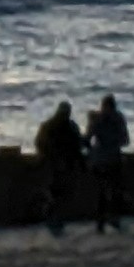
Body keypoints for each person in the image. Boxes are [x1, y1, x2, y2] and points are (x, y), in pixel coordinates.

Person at [35, 100, 88, 234]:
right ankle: (53, 215)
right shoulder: (68, 126)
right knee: (59, 193)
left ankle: (53, 216)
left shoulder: (49, 126)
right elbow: (78, 145)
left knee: (59, 193)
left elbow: (39, 143)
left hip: (58, 165)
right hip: (59, 165)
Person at [88, 94, 132, 230]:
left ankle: (100, 222)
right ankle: (114, 218)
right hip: (113, 159)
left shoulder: (96, 119)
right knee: (115, 191)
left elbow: (87, 138)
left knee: (101, 192)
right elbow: (125, 141)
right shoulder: (118, 119)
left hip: (99, 160)